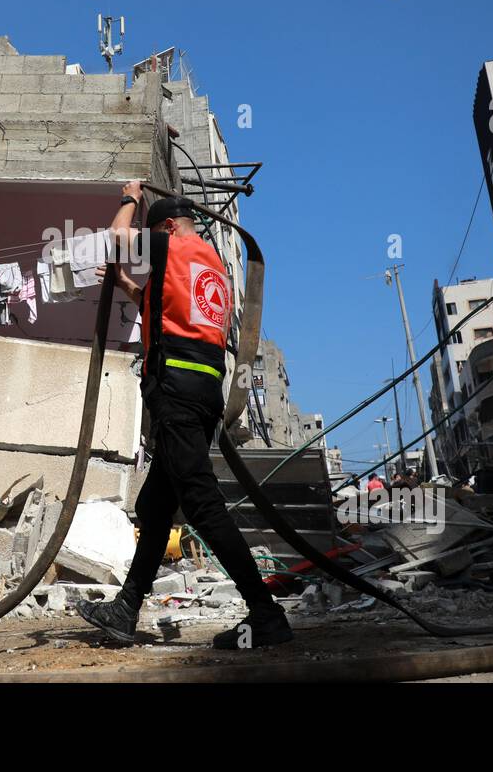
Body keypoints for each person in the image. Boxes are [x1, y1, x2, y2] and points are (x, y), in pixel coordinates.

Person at [76, 181, 293, 650]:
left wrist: (130, 196)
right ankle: (125, 609)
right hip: (201, 393)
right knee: (155, 508)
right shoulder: (212, 265)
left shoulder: (171, 242)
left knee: (201, 503)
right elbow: (168, 311)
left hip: (174, 391)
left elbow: (115, 236)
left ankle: (265, 614)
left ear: (169, 226)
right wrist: (126, 285)